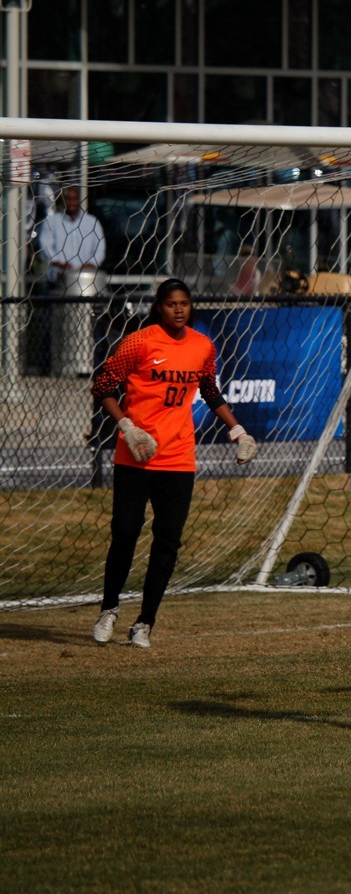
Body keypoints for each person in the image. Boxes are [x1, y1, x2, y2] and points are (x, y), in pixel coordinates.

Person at [90, 279, 258, 648]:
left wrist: (238, 431)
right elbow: (102, 384)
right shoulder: (140, 341)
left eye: (184, 303)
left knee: (167, 542)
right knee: (125, 533)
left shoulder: (202, 346)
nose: (179, 309)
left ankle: (145, 622)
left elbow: (210, 391)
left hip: (178, 459)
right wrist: (127, 426)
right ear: (159, 307)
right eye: (171, 304)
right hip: (135, 455)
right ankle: (109, 609)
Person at [36, 186, 107, 377]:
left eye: (75, 199)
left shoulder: (92, 223)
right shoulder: (53, 221)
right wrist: (57, 261)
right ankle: (51, 365)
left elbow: (99, 251)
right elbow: (44, 246)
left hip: (86, 286)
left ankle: (91, 366)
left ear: (80, 201)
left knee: (91, 327)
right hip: (59, 283)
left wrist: (88, 265)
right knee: (53, 326)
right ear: (64, 201)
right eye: (69, 199)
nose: (72, 202)